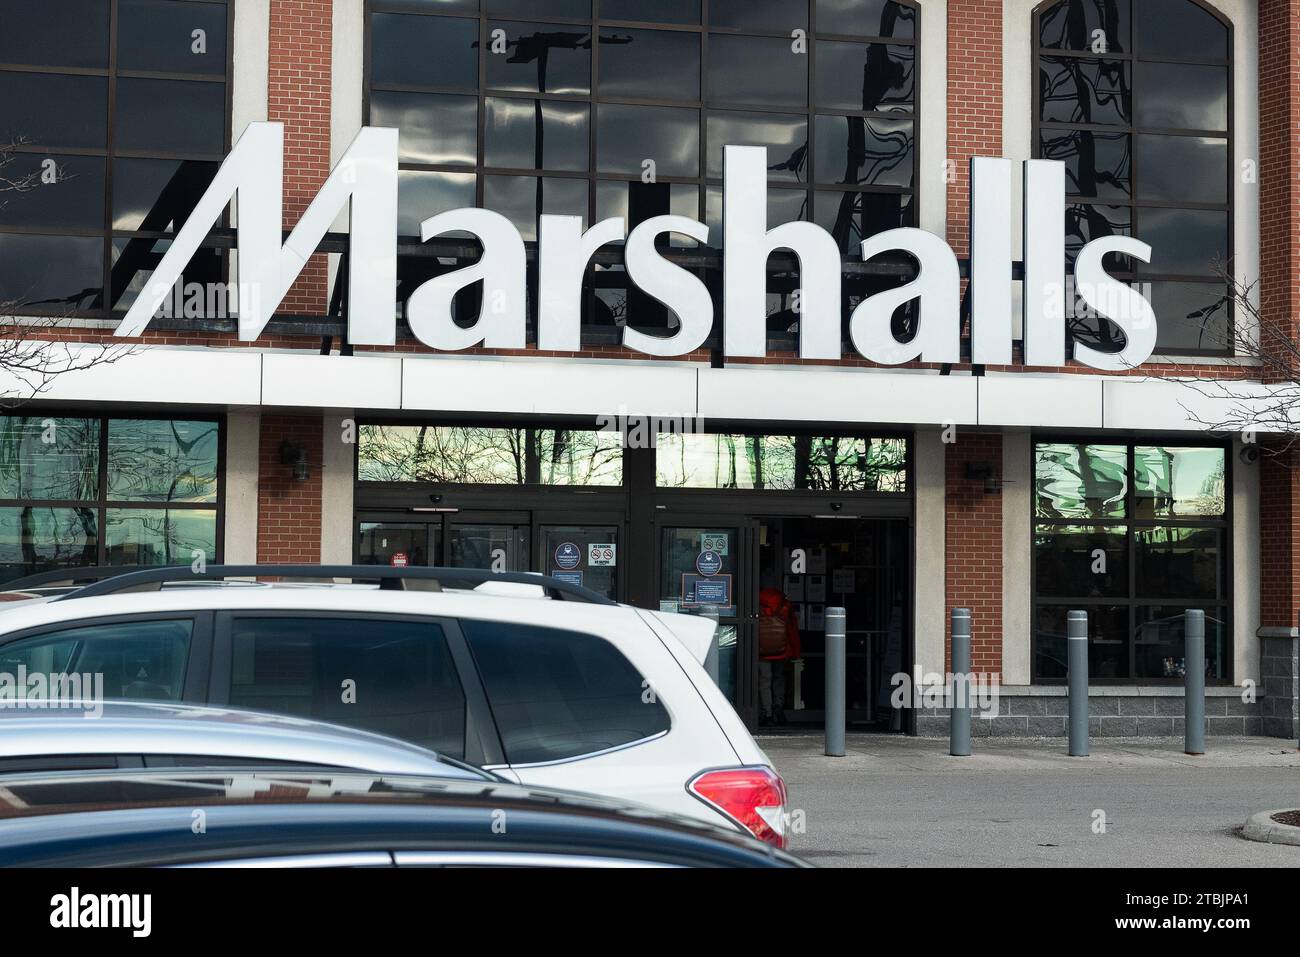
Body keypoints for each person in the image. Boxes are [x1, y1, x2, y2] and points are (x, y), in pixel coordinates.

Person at [758, 583, 801, 726]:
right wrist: (796, 653)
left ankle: (767, 712)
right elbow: (792, 630)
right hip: (782, 651)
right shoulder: (785, 606)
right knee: (779, 679)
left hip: (762, 651)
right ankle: (778, 708)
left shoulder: (757, 604)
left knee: (764, 680)